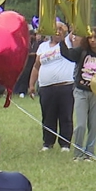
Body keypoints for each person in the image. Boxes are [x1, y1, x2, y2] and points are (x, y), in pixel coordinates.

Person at [61, 27, 96, 160]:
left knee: (94, 126)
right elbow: (67, 54)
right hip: (81, 92)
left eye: (95, 38)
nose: (92, 40)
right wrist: (63, 39)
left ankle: (89, 154)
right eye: (90, 37)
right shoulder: (82, 52)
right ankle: (78, 154)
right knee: (81, 125)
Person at [29, 22, 75, 151]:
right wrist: (31, 84)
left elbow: (75, 33)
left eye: (60, 30)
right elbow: (36, 66)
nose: (58, 32)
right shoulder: (43, 47)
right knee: (48, 116)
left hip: (65, 86)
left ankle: (65, 144)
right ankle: (47, 142)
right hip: (46, 87)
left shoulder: (68, 43)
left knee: (65, 115)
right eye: (55, 30)